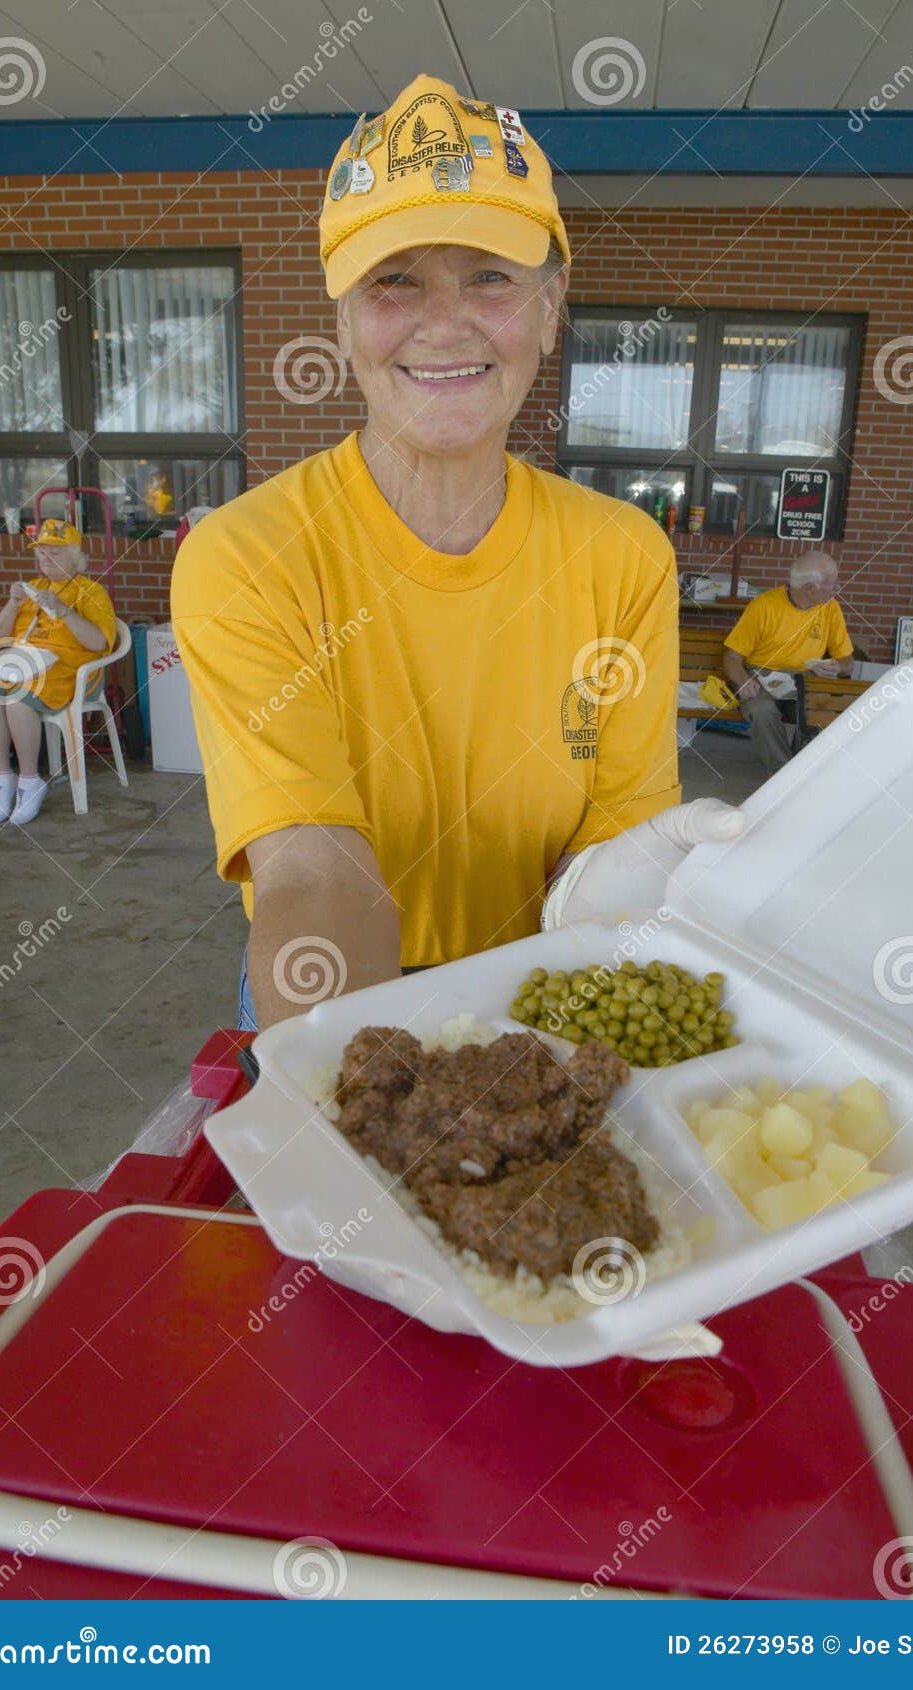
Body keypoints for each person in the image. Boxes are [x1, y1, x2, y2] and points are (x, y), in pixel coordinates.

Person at [172, 74, 743, 1032]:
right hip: (340, 991)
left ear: (550, 310)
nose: (445, 321)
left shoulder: (620, 554)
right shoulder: (249, 553)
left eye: (490, 276)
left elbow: (615, 843)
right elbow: (312, 868)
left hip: (548, 978)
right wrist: (361, 1080)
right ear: (341, 320)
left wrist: (611, 914)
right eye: (394, 281)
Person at [0, 518, 117, 825]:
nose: (46, 559)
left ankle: (30, 781)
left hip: (69, 671)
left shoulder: (90, 591)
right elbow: (0, 633)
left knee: (17, 699)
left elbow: (98, 642)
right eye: (42, 553)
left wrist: (65, 611)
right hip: (26, 663)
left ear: (76, 557)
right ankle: (3, 780)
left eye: (55, 553)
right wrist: (13, 603)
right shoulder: (34, 588)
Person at [722, 551, 854, 774]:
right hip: (760, 675)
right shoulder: (764, 605)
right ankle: (784, 775)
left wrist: (839, 667)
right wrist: (743, 681)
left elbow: (847, 661)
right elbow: (732, 657)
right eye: (831, 584)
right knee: (761, 710)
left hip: (806, 677)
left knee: (819, 707)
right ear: (809, 588)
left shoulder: (831, 608)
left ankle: (802, 769)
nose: (837, 588)